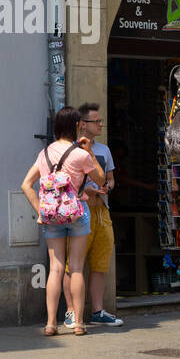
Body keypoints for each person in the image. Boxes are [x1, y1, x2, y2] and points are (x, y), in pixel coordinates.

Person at [21, 106, 105, 336]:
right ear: (78, 126)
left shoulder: (44, 153)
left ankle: (50, 323)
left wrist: (41, 211)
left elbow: (26, 184)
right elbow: (101, 179)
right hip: (77, 212)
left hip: (51, 216)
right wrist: (89, 154)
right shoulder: (80, 154)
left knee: (55, 269)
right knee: (76, 268)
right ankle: (78, 323)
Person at [62, 103, 123, 328]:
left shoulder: (104, 150)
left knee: (100, 262)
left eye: (100, 121)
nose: (101, 124)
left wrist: (108, 185)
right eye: (96, 121)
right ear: (82, 125)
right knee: (73, 264)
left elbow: (111, 178)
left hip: (102, 210)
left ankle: (97, 310)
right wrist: (86, 190)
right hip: (80, 210)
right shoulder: (70, 150)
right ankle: (70, 311)